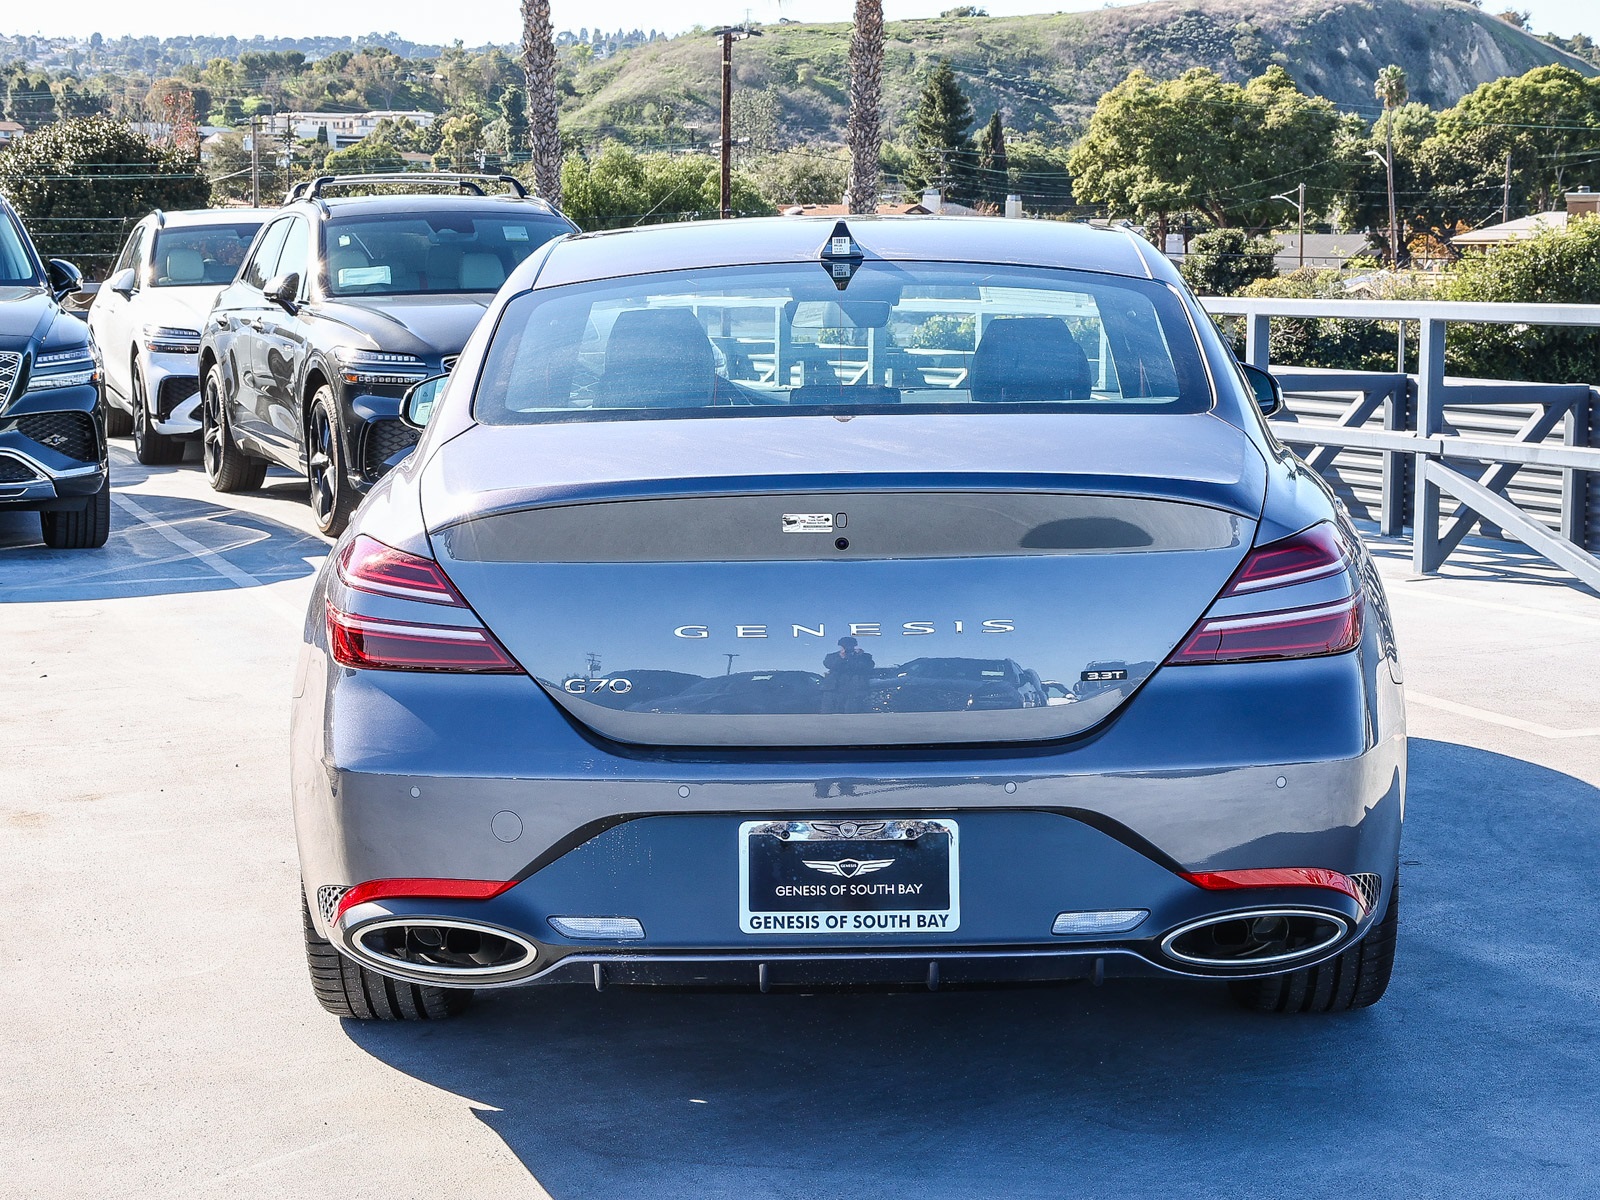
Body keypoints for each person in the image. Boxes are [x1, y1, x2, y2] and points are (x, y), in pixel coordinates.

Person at [820, 636, 875, 714]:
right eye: (844, 646)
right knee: (829, 715)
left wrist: (858, 657)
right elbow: (829, 665)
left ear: (854, 645)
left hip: (855, 691)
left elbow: (868, 667)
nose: (847, 647)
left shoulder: (865, 657)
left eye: (850, 645)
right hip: (833, 691)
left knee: (853, 715)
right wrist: (841, 658)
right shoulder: (831, 657)